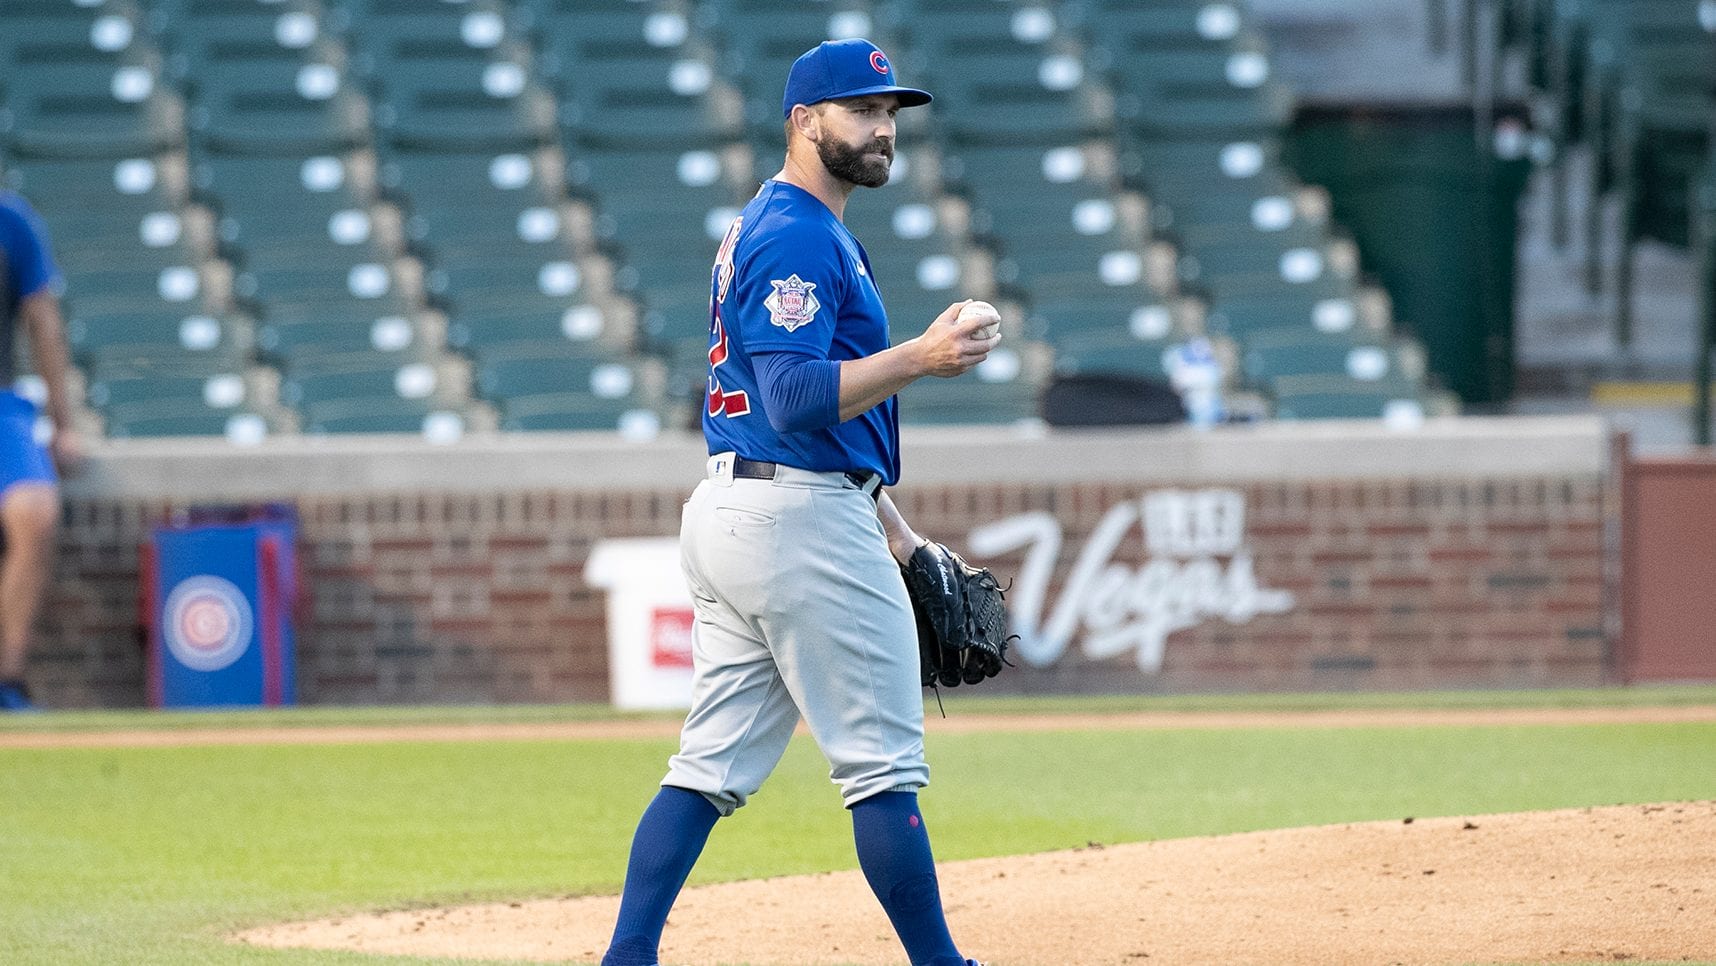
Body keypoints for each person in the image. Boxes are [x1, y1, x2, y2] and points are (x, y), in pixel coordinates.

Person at [600, 39, 997, 966]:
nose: (882, 128)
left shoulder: (787, 224)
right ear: (803, 121)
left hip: (747, 507)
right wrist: (922, 357)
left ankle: (628, 956)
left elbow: (800, 420)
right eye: (860, 110)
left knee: (708, 767)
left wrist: (896, 531)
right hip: (797, 523)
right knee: (883, 769)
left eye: (890, 112)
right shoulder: (797, 233)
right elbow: (793, 398)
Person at [0, 189, 84, 712]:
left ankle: (5, 679)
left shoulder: (11, 221)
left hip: (1, 407)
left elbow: (44, 322)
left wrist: (63, 424)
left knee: (34, 511)